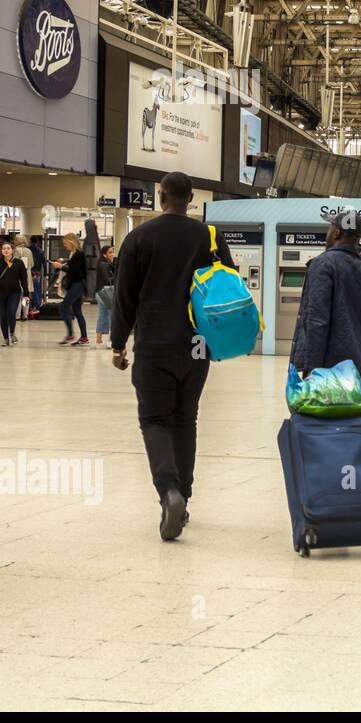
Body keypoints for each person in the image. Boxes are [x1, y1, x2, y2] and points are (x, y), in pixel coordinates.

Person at [111, 171, 235, 542]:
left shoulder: (138, 238)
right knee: (186, 419)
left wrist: (119, 345)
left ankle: (169, 491)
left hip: (154, 344)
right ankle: (185, 495)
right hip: (197, 344)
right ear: (191, 197)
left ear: (160, 195)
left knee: (154, 419)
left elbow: (124, 298)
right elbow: (227, 284)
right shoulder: (209, 236)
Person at [289, 207, 361, 393]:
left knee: (315, 421)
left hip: (326, 370)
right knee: (348, 421)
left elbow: (317, 321)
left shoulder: (322, 265)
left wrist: (312, 372)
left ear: (337, 232)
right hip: (356, 373)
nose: (328, 232)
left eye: (330, 227)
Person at [51, 233, 89, 346]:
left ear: (71, 242)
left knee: (63, 307)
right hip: (77, 284)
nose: (65, 246)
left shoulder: (79, 254)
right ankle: (84, 338)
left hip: (77, 284)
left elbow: (74, 270)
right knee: (77, 311)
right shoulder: (75, 253)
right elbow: (74, 265)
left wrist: (61, 267)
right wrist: (64, 261)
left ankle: (71, 335)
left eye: (66, 243)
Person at [0, 241, 30, 347]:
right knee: (2, 316)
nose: (6, 250)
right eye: (4, 249)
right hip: (1, 294)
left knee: (11, 312)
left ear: (12, 250)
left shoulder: (19, 263)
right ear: (1, 251)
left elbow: (24, 280)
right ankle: (5, 339)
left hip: (15, 293)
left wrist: (26, 294)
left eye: (8, 248)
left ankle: (12, 333)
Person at [94, 245, 116, 345]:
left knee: (102, 315)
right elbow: (109, 279)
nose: (112, 254)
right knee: (112, 315)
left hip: (99, 291)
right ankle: (111, 340)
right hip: (107, 291)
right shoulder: (106, 265)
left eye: (113, 252)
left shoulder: (100, 264)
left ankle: (98, 340)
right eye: (110, 252)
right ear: (104, 254)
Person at [21, 235, 45, 309]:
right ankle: (37, 307)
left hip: (28, 272)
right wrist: (46, 274)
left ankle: (26, 309)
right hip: (37, 273)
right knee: (37, 290)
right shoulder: (41, 251)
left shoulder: (27, 250)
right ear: (37, 241)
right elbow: (44, 263)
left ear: (30, 241)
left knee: (26, 291)